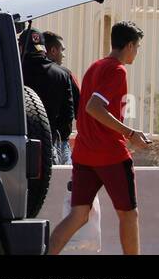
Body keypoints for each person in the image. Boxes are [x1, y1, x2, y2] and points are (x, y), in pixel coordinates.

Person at [48, 21, 153, 256]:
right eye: (137, 47)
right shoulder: (117, 70)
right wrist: (130, 134)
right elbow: (94, 107)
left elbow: (89, 107)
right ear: (128, 45)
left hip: (85, 154)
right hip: (111, 155)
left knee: (79, 214)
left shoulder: (94, 66)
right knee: (129, 214)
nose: (136, 52)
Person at [21, 28, 76, 165]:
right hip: (51, 141)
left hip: (20, 140)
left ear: (21, 47)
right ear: (43, 48)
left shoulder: (15, 71)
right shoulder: (62, 74)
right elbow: (68, 113)